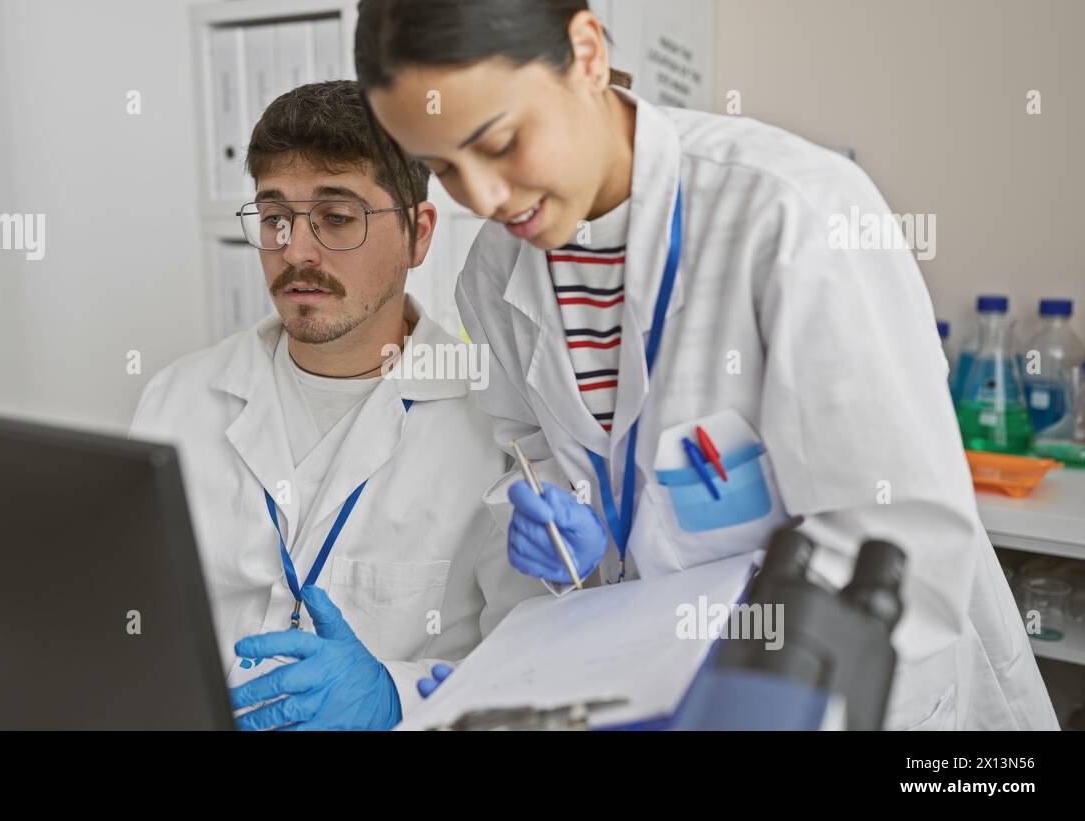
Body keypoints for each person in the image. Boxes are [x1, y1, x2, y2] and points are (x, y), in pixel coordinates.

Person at [355, 0, 1057, 729]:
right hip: (645, 673)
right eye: (444, 169)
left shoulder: (794, 215)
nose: (485, 197)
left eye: (499, 141)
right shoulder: (494, 272)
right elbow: (539, 460)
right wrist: (565, 537)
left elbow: (899, 546)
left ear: (587, 52)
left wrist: (744, 703)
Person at [130, 80, 541, 730]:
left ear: (418, 233)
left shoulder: (498, 425)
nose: (295, 249)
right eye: (275, 218)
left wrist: (393, 698)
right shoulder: (176, 400)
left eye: (337, 217)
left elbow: (535, 669)